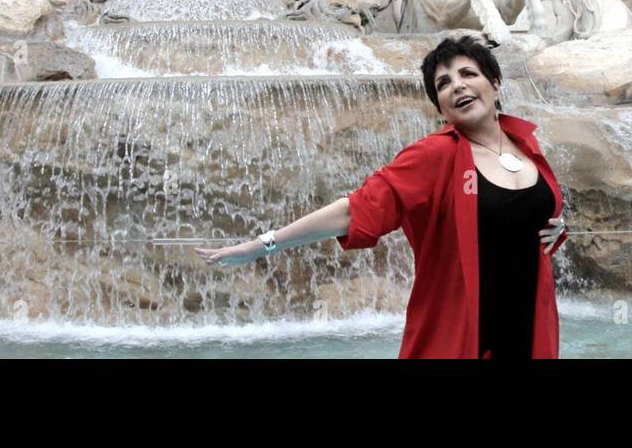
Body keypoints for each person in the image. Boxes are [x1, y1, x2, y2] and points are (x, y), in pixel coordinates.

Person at [195, 35, 569, 359]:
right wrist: (264, 244)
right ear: (440, 107)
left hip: (531, 333)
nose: (457, 86)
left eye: (468, 74)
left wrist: (556, 224)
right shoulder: (435, 155)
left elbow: (525, 212)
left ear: (496, 84)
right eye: (443, 84)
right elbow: (355, 210)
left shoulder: (526, 145)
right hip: (463, 336)